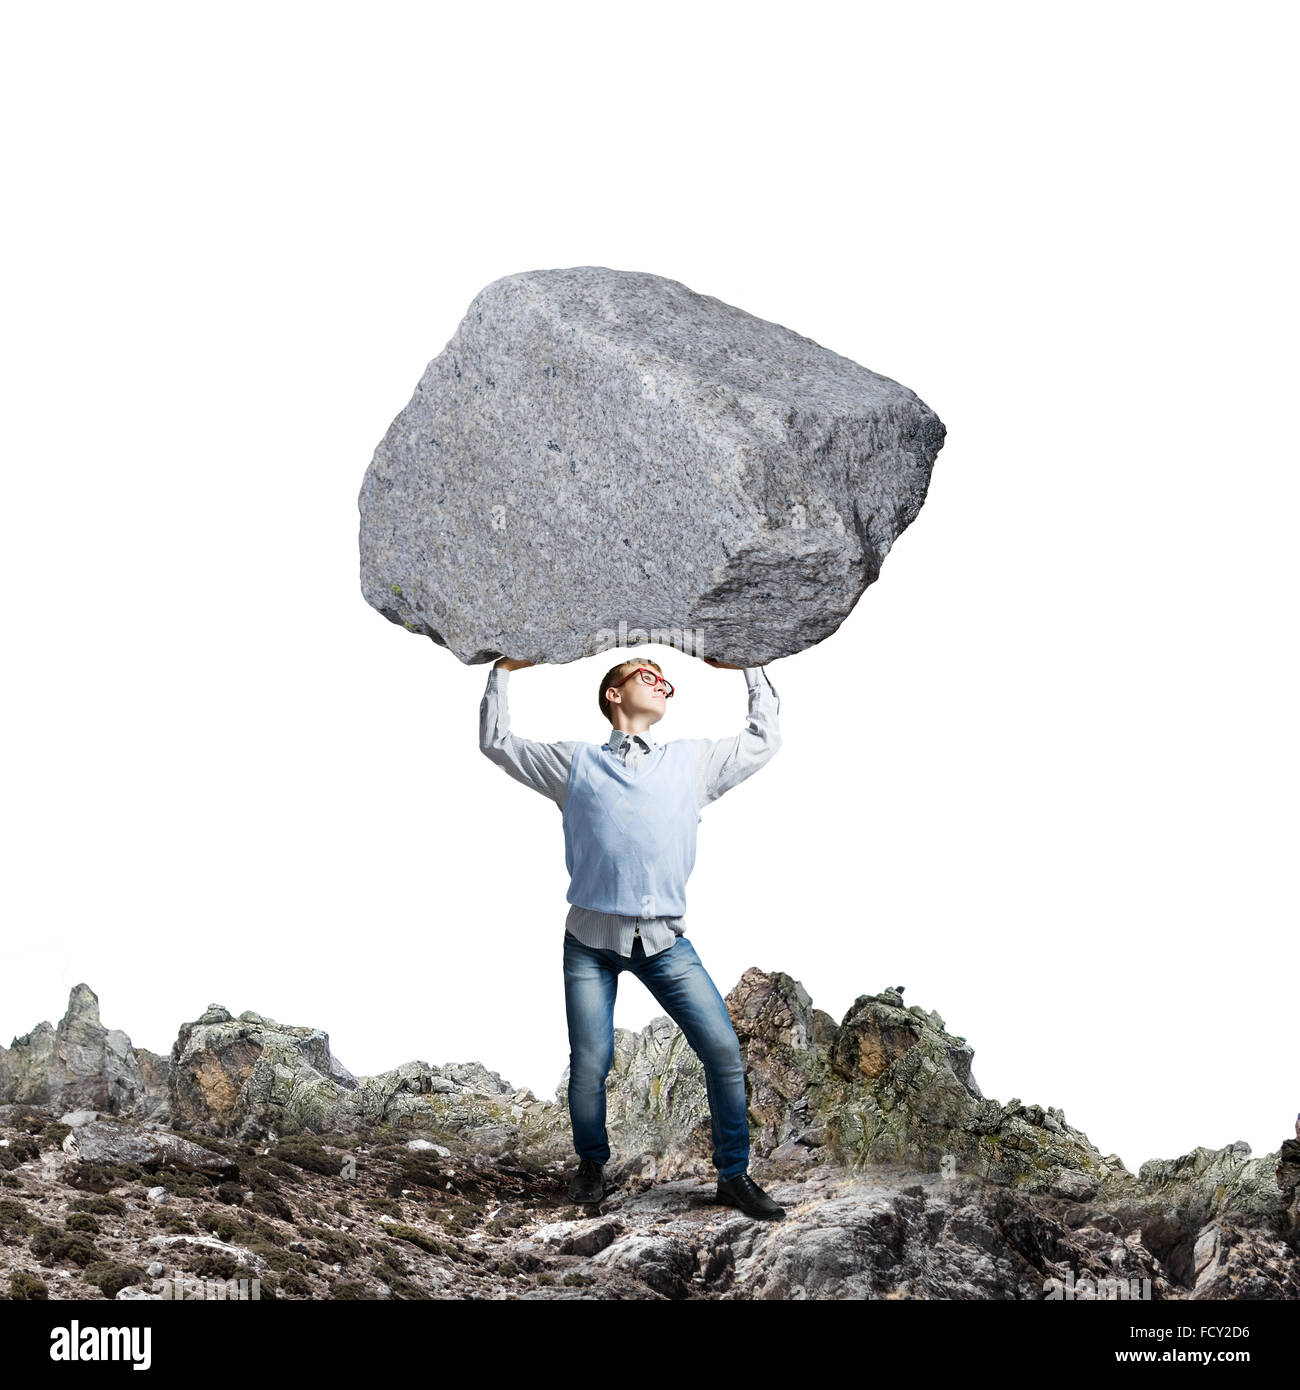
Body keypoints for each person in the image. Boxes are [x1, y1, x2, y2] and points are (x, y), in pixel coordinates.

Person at [479, 650, 786, 1219]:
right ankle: (592, 1162)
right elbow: (498, 742)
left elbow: (763, 737)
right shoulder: (574, 764)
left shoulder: (691, 764)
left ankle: (733, 1176)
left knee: (721, 1049)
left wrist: (750, 664)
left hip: (666, 944)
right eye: (646, 674)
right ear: (613, 695)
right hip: (590, 945)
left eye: (666, 678)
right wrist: (501, 672)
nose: (661, 682)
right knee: (592, 1061)